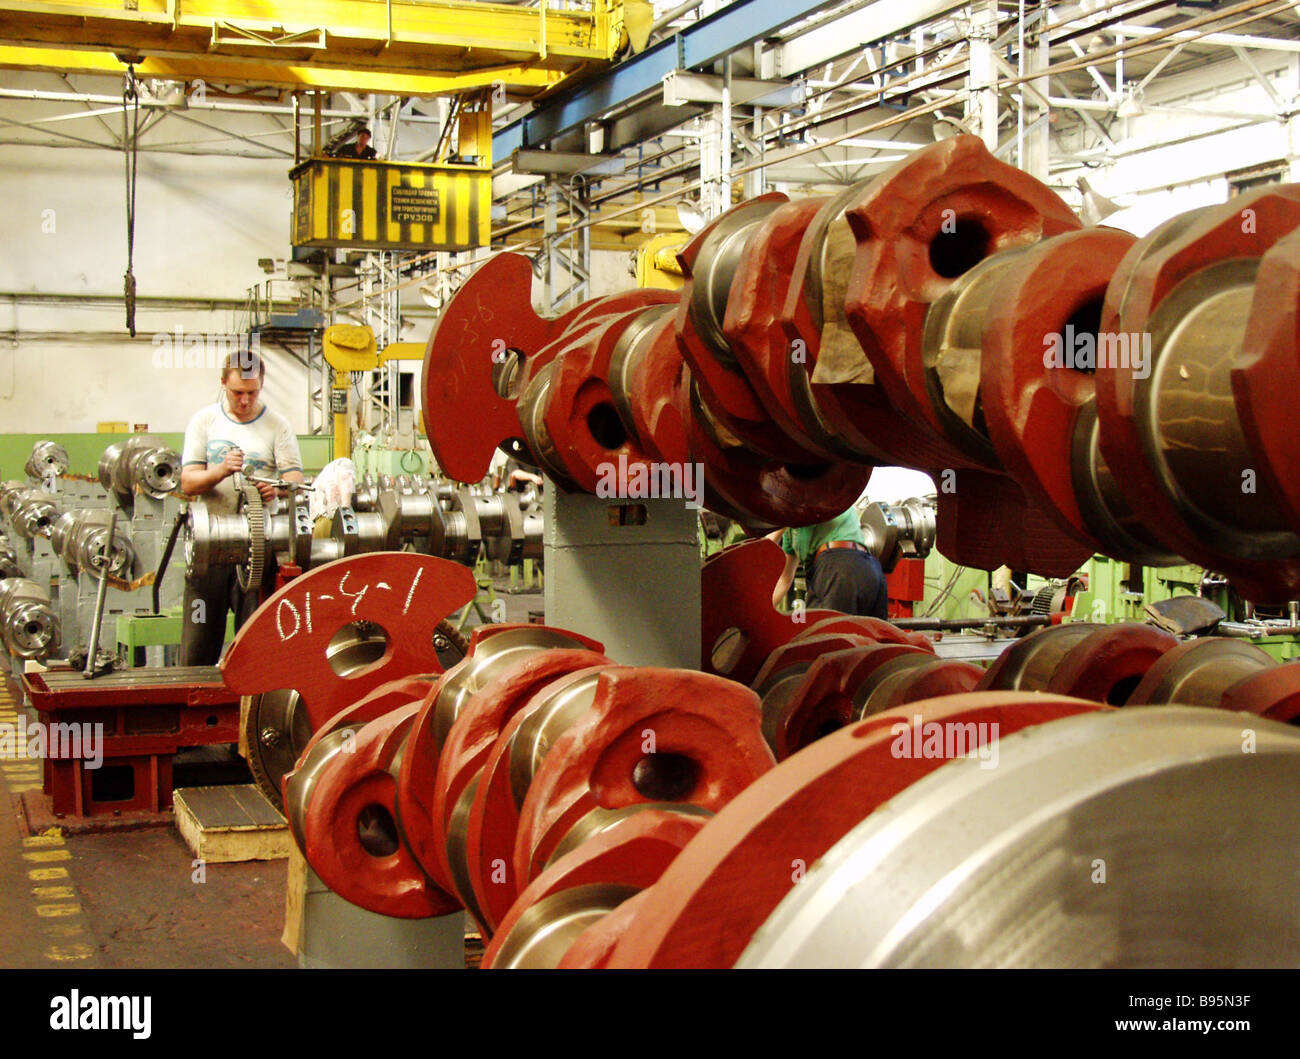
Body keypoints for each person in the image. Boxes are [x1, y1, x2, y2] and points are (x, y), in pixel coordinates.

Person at [179, 350, 305, 665]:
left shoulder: (278, 426)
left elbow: (294, 479)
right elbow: (188, 483)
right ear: (223, 383)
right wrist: (220, 471)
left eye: (252, 392)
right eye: (238, 393)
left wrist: (274, 488)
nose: (245, 400)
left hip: (257, 554)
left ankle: (246, 710)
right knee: (198, 644)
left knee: (253, 648)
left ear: (261, 386)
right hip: (209, 552)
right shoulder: (205, 421)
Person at [768, 506, 889, 618]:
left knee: (824, 635)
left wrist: (778, 527)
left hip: (841, 566)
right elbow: (785, 579)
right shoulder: (790, 533)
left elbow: (769, 539)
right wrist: (763, 612)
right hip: (861, 569)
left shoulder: (826, 495)